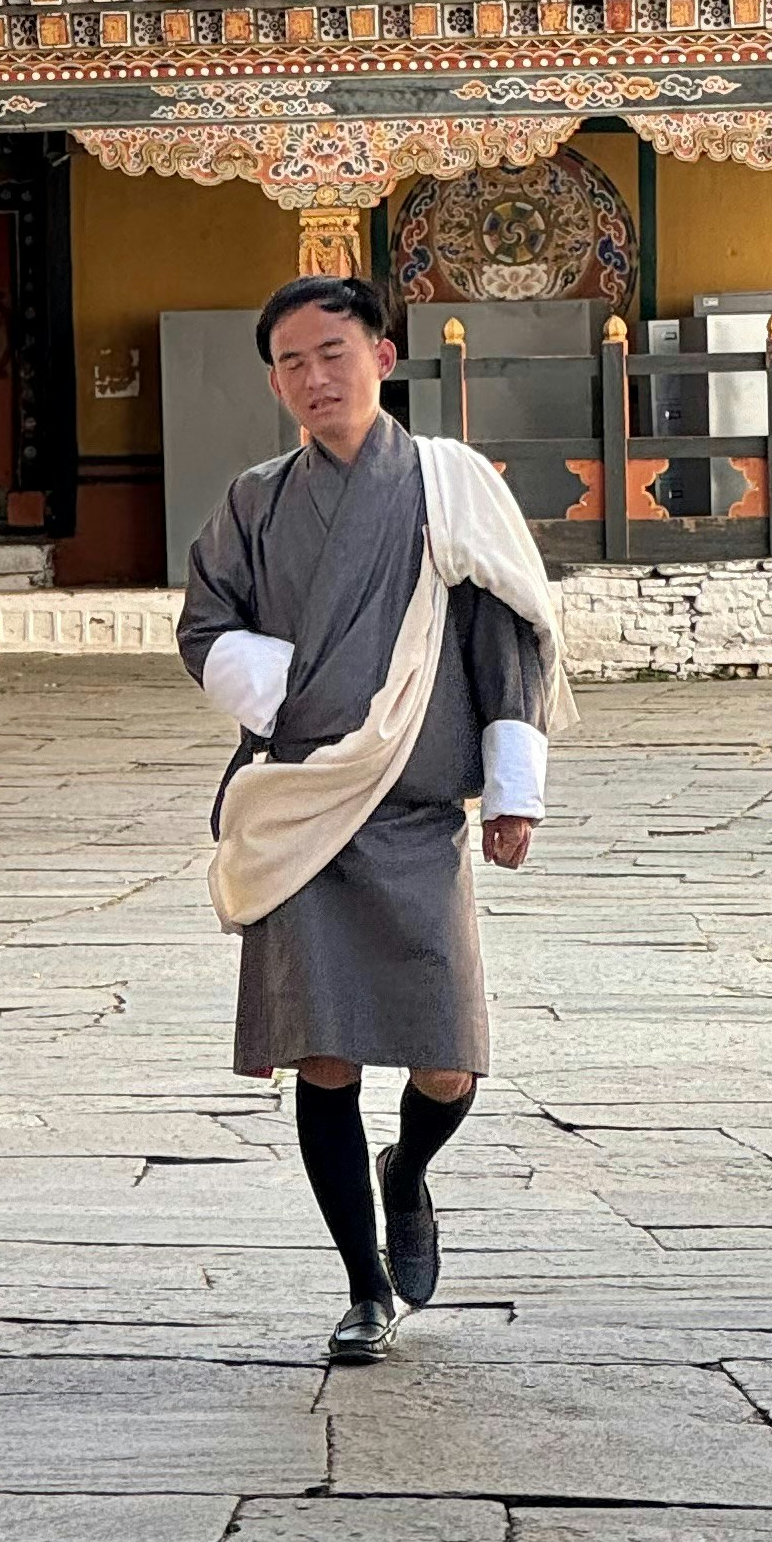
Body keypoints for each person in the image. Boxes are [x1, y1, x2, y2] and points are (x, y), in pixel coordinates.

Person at [175, 273, 573, 1362]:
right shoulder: (255, 501)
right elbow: (206, 625)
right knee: (325, 1058)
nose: (313, 378)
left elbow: (509, 637)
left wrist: (514, 789)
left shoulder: (451, 486)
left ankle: (412, 1168)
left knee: (450, 1061)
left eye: (331, 353)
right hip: (304, 807)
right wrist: (290, 686)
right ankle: (363, 1287)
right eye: (291, 363)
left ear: (383, 358)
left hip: (415, 809)